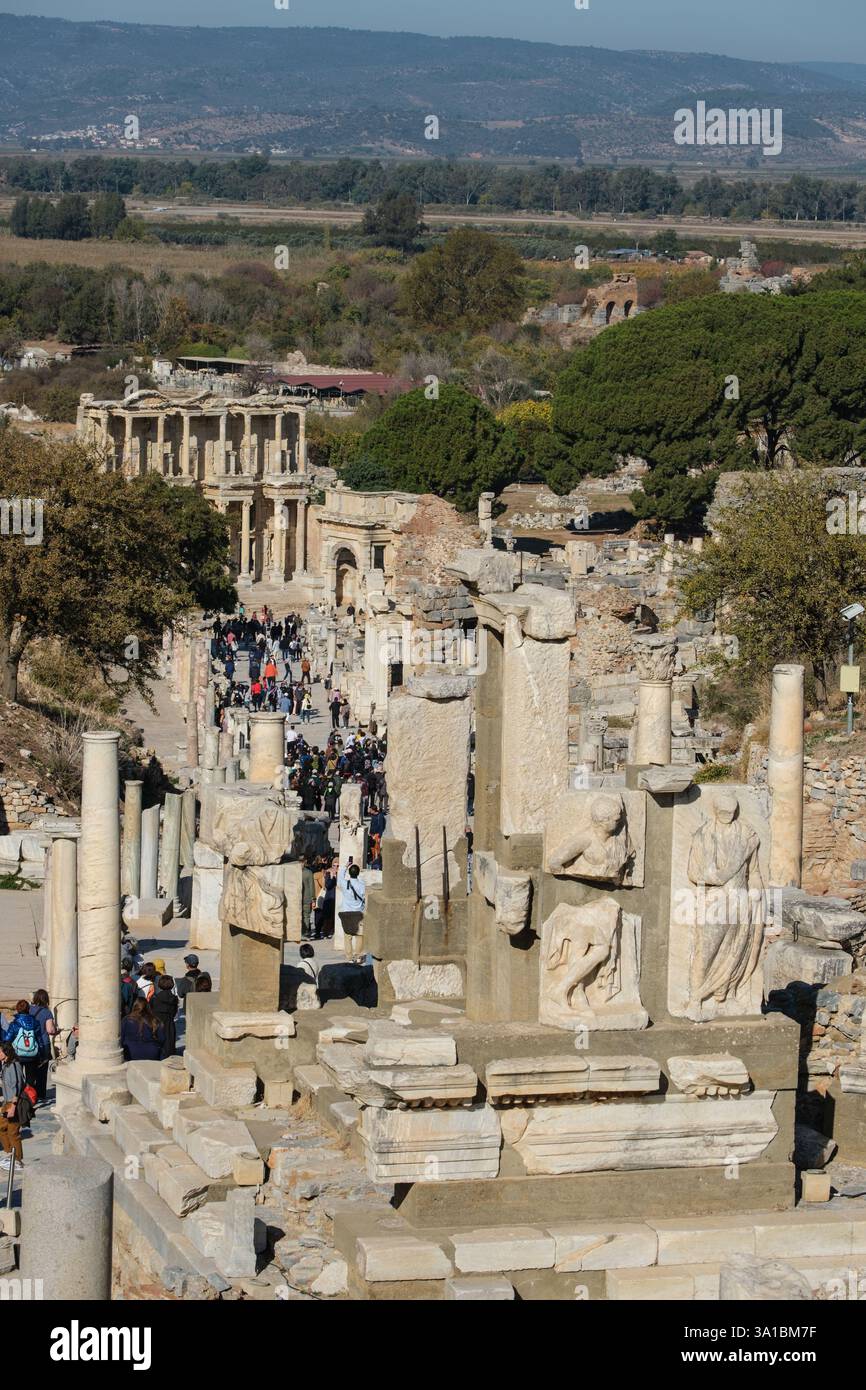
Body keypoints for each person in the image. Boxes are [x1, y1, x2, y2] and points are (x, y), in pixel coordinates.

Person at [0, 1043, 26, 1169]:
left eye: (0, 1051)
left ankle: (18, 1160)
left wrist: (13, 1106)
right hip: (7, 1103)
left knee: (13, 1132)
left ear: (6, 1052)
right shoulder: (5, 1064)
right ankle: (10, 1153)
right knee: (1, 1127)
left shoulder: (14, 1065)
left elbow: (17, 1086)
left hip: (14, 1103)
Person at [28, 989, 56, 1102]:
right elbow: (50, 1030)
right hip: (43, 1044)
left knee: (31, 1070)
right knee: (42, 1071)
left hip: (29, 1043)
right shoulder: (46, 1012)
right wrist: (56, 1031)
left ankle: (30, 1094)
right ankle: (40, 1094)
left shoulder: (29, 1009)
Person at [151, 976, 178, 1058]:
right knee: (169, 1045)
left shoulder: (155, 998)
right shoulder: (174, 999)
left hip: (157, 1024)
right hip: (169, 1024)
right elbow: (174, 1013)